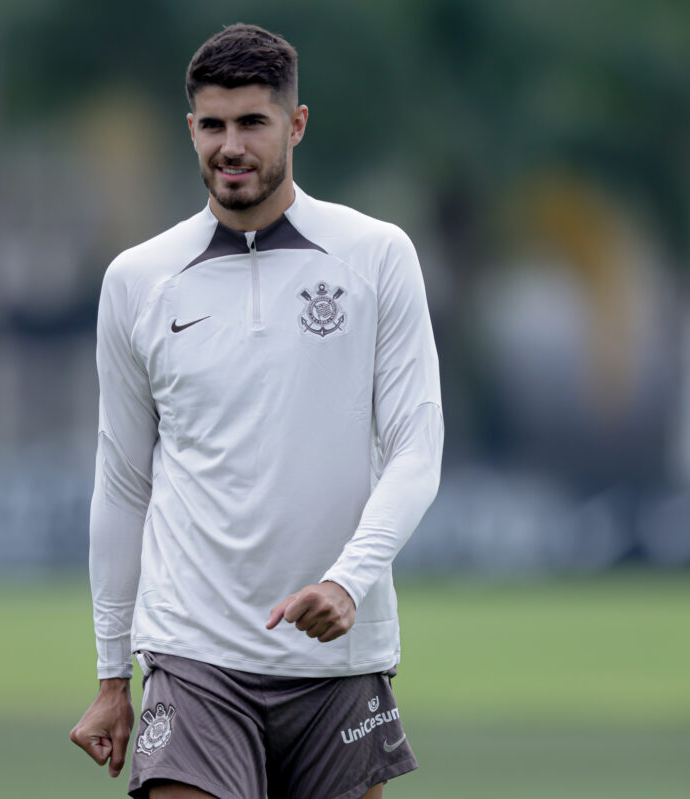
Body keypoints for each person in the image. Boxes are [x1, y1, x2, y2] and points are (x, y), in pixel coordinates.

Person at [70, 23, 443, 799]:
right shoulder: (139, 279)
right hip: (193, 653)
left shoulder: (376, 255)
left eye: (252, 123)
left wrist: (347, 580)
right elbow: (123, 482)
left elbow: (416, 448)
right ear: (191, 128)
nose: (230, 145)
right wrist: (112, 671)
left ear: (295, 125)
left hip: (337, 658)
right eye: (212, 124)